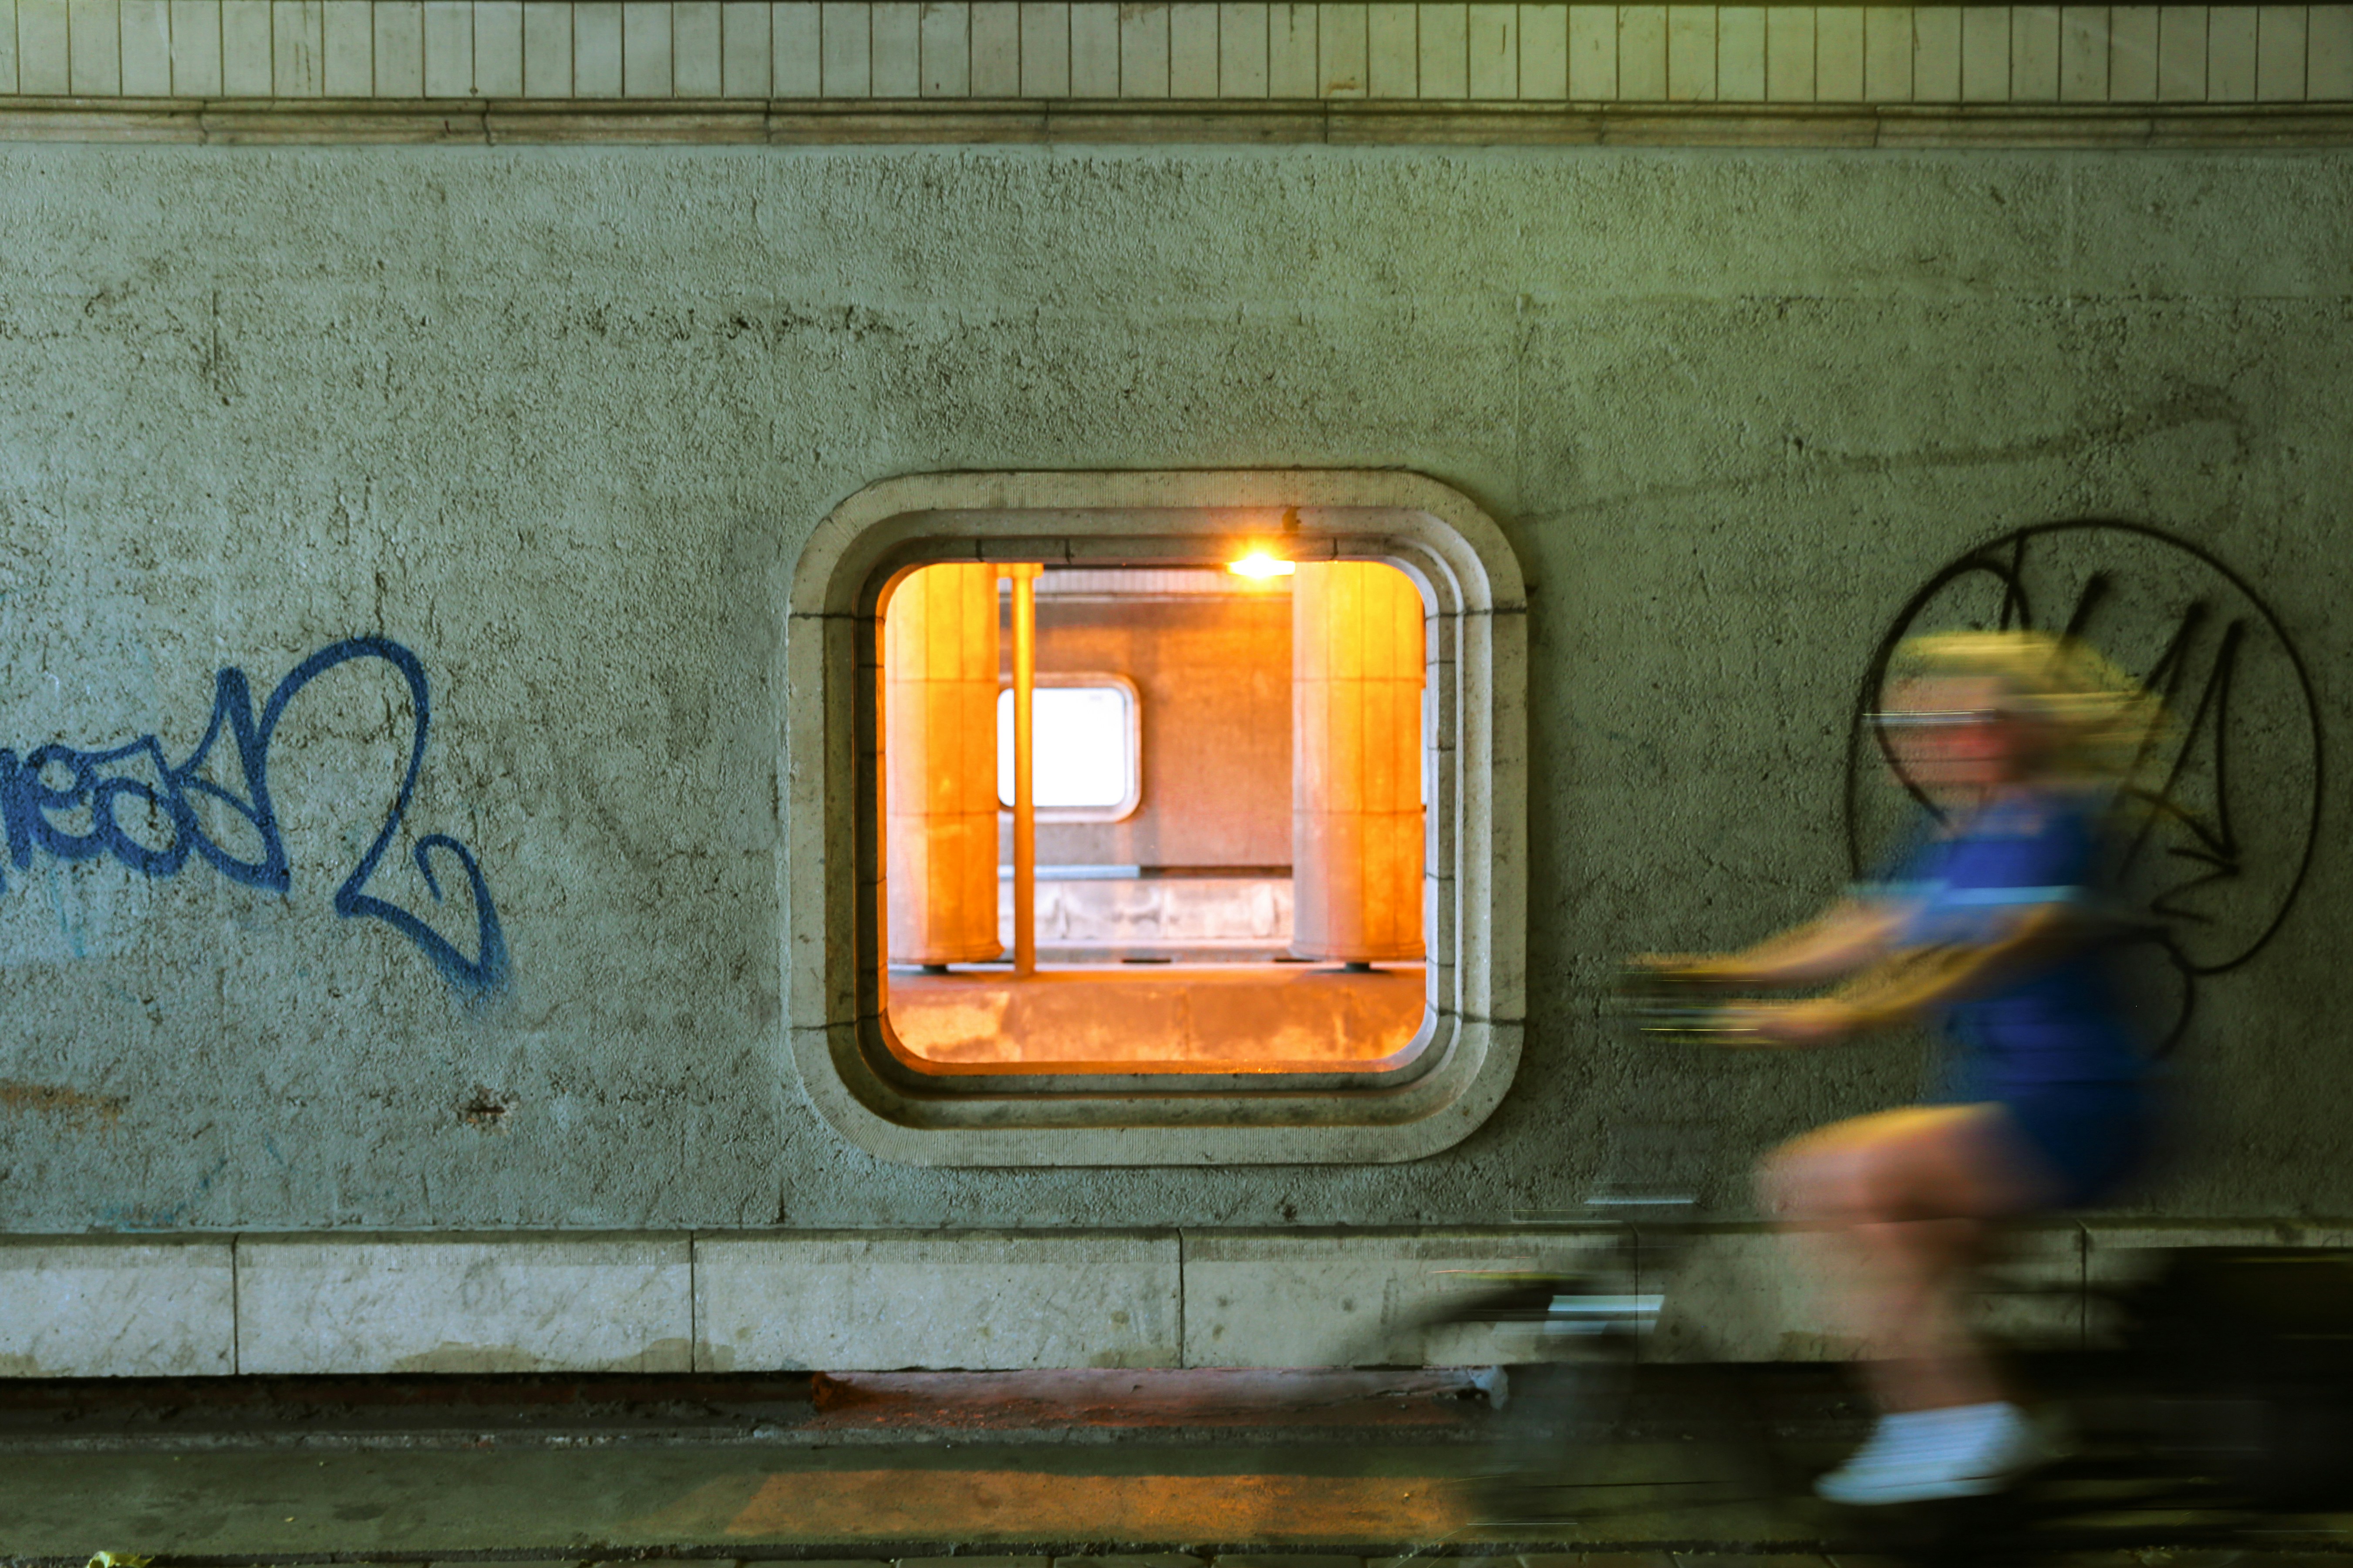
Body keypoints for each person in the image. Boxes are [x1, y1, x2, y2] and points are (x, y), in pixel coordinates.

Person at [1638, 629, 2162, 1507]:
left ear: (2004, 728)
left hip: (2074, 1106)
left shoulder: (2057, 823)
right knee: (1909, 1272)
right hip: (2001, 1100)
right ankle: (1982, 1458)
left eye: (1948, 723)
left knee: (1812, 1181)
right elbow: (1856, 929)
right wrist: (1718, 974)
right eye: (1914, 726)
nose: (1920, 745)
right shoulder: (1957, 828)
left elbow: (1995, 951)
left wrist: (1846, 1014)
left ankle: (1965, 1423)